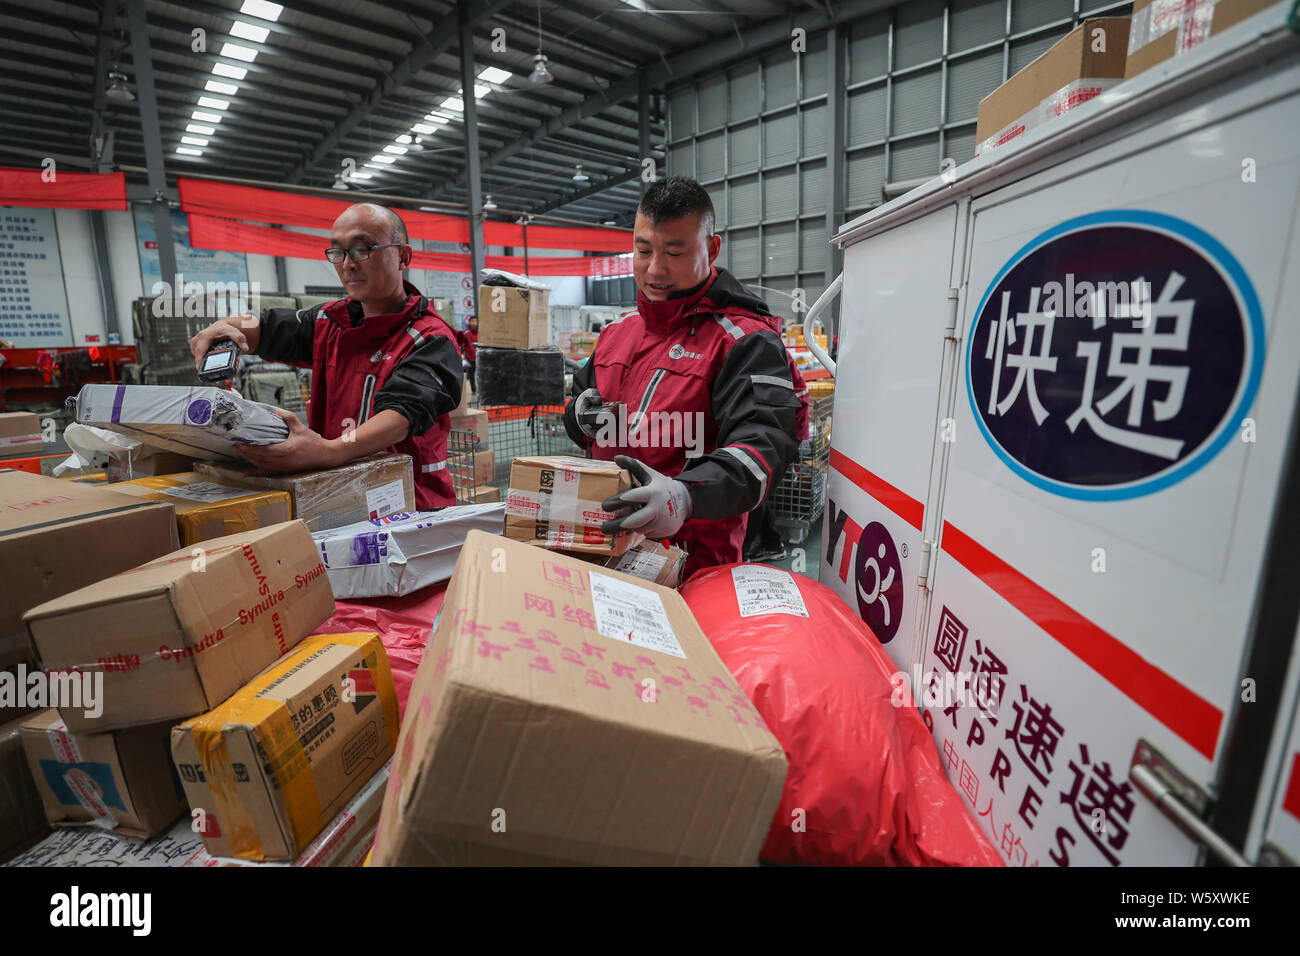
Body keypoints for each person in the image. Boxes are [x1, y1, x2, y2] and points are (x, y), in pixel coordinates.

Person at [563, 176, 808, 580]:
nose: (655, 269)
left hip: (694, 568)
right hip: (604, 552)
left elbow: (765, 446)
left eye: (674, 252)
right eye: (643, 251)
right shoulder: (616, 335)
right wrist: (578, 416)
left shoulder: (744, 342)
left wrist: (684, 496)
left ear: (712, 249)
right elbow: (582, 405)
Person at [189, 202, 464, 509]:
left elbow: (402, 413)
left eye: (362, 249)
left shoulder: (430, 338)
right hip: (338, 496)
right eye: (338, 252)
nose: (348, 263)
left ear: (403, 256)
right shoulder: (328, 322)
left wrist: (330, 450)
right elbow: (266, 328)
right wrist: (225, 328)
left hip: (412, 505)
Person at [463, 314, 478, 394]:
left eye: (475, 321)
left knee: (480, 375)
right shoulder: (466, 333)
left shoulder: (481, 332)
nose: (474, 323)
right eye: (472, 321)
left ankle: (481, 391)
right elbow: (462, 345)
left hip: (479, 358)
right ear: (469, 322)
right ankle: (474, 390)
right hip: (470, 358)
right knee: (471, 376)